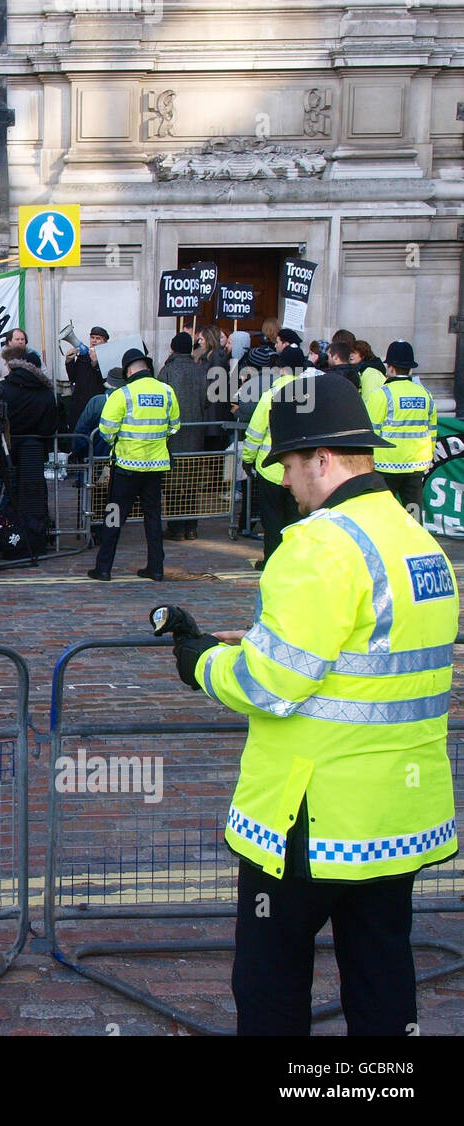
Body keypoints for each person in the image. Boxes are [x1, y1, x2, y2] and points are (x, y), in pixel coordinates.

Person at [158, 372, 457, 1035]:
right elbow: (367, 657)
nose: (285, 483)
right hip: (394, 817)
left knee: (271, 984)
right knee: (382, 978)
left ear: (322, 459)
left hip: (307, 819)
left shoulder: (316, 544)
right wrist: (263, 641)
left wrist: (202, 661)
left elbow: (272, 685)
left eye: (290, 467)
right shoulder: (419, 544)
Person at [87, 347, 180, 583]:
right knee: (153, 519)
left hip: (126, 468)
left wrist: (119, 442)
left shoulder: (123, 394)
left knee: (114, 517)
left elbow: (106, 430)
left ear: (129, 370)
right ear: (147, 368)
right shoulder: (167, 392)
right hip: (156, 467)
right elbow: (174, 426)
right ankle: (156, 568)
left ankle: (104, 567)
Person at [0, 346, 58, 558]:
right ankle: (33, 535)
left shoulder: (3, 389)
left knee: (7, 494)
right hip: (34, 453)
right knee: (35, 496)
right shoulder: (46, 393)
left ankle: (3, 532)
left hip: (7, 449)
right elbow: (49, 428)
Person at [240, 356, 308, 567]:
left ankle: (271, 561)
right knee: (294, 520)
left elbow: (255, 433)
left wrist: (247, 460)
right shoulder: (309, 398)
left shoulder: (269, 396)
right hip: (298, 470)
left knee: (271, 520)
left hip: (270, 469)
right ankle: (292, 562)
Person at [365, 339, 434, 513]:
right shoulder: (426, 394)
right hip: (416, 464)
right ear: (411, 368)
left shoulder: (381, 394)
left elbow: (371, 432)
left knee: (384, 511)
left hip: (385, 465)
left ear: (390, 367)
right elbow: (432, 431)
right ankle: (415, 539)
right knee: (413, 510)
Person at [159, 332, 210, 541]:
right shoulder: (200, 370)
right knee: (191, 483)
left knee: (173, 483)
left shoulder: (167, 370)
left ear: (172, 348)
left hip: (175, 434)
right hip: (195, 433)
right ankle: (191, 527)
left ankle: (176, 528)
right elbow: (207, 400)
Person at [63, 325, 108, 429]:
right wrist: (69, 362)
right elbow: (73, 377)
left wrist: (95, 363)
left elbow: (104, 380)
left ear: (104, 342)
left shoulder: (107, 356)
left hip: (95, 401)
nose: (94, 341)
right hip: (79, 402)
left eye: (98, 338)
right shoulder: (84, 355)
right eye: (92, 337)